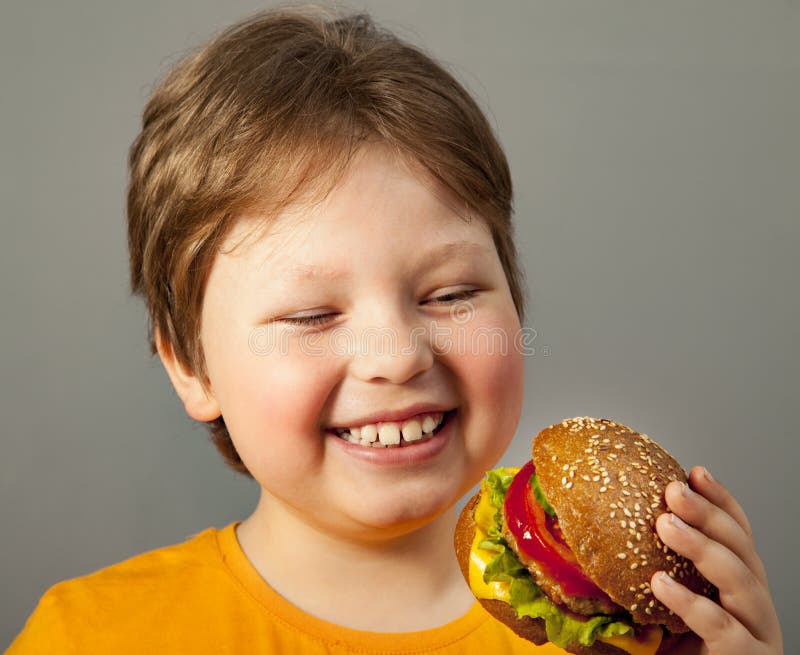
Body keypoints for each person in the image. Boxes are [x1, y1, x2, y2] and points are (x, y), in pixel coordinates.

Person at [7, 7, 783, 654]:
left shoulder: (645, 636)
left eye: (449, 294)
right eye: (313, 314)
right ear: (191, 365)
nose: (398, 355)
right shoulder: (92, 635)